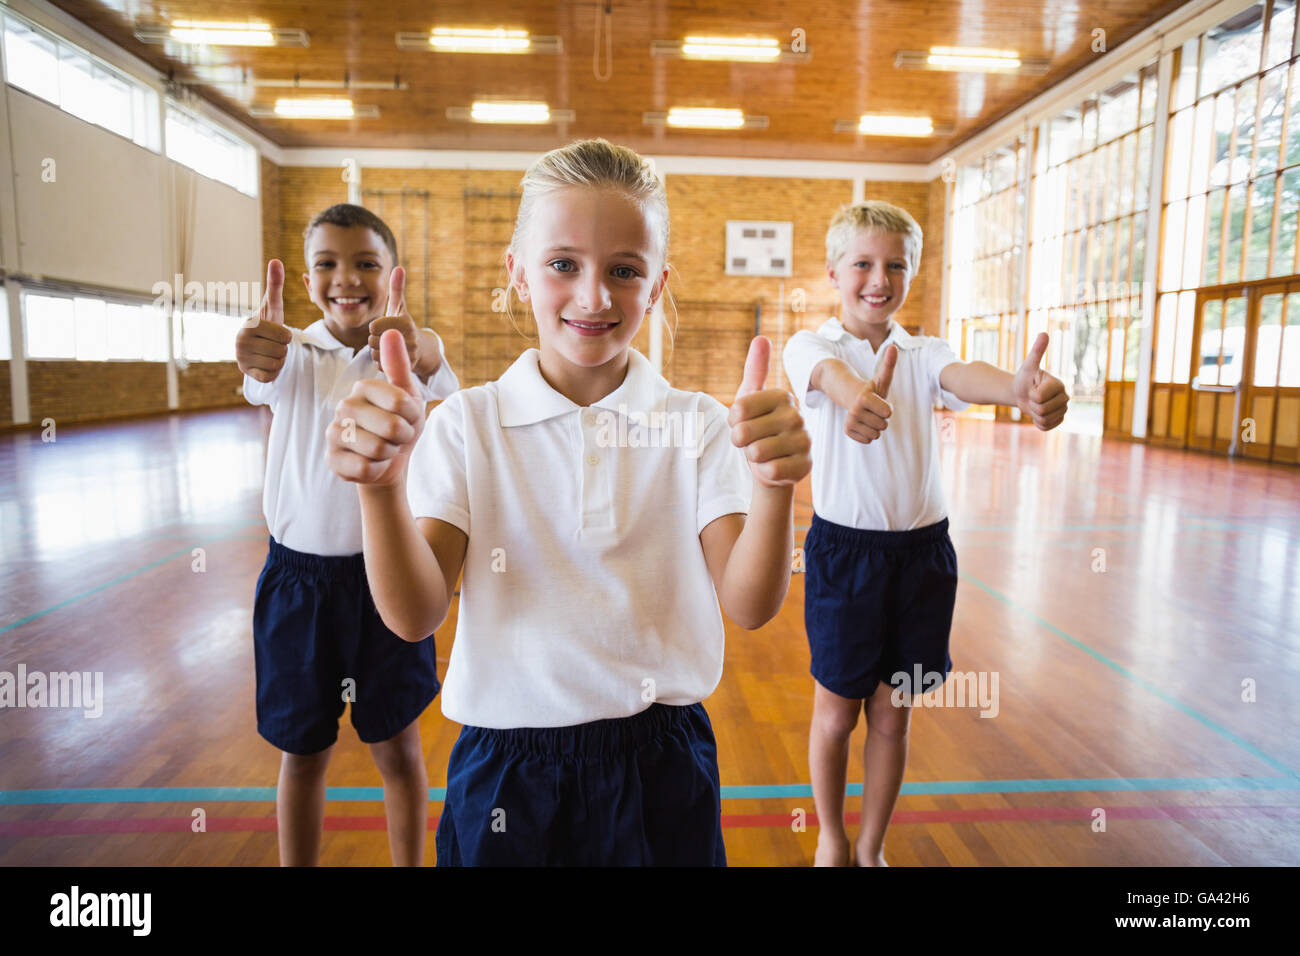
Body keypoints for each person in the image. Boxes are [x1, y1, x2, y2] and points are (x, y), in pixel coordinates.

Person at [326, 139, 812, 865]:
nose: (593, 296)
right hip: (506, 773)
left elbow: (747, 603)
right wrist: (381, 492)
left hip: (660, 763)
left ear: (656, 285)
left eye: (624, 270)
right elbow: (415, 613)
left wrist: (776, 492)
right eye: (563, 265)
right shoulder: (467, 422)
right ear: (518, 275)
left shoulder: (698, 423)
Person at [782, 200, 1068, 866]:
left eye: (895, 265)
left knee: (892, 715)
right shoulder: (813, 347)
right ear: (833, 272)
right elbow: (827, 377)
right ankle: (831, 836)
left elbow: (963, 375)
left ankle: (872, 847)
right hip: (845, 558)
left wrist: (1019, 390)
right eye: (863, 264)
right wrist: (856, 395)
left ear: (910, 274)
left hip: (921, 560)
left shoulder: (923, 351)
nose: (878, 279)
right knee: (836, 713)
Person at [235, 203, 459, 865]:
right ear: (307, 283)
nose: (346, 278)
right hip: (296, 586)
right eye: (327, 264)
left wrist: (419, 348)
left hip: (381, 584)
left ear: (392, 276)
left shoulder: (402, 355)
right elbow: (258, 370)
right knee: (302, 754)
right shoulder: (291, 354)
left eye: (366, 262)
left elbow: (430, 360)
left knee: (398, 748)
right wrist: (254, 349)